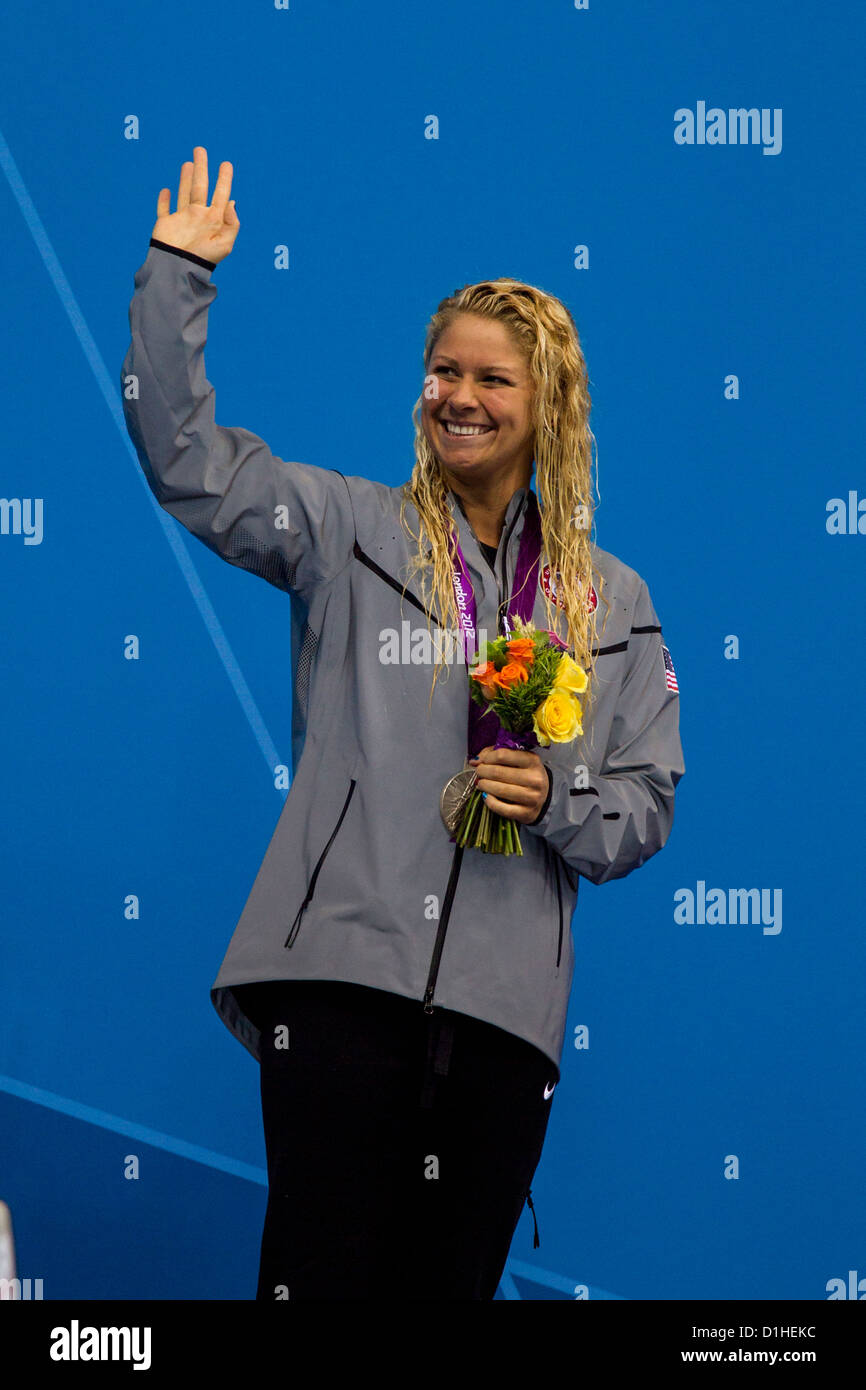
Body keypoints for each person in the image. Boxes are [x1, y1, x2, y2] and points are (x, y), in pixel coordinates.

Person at [120, 147, 685, 1301]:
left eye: (492, 380)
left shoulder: (607, 599)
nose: (460, 398)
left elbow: (645, 804)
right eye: (442, 372)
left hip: (501, 1020)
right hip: (336, 985)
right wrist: (176, 276)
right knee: (316, 1286)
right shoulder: (345, 528)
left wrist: (561, 799)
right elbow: (184, 461)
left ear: (548, 407)